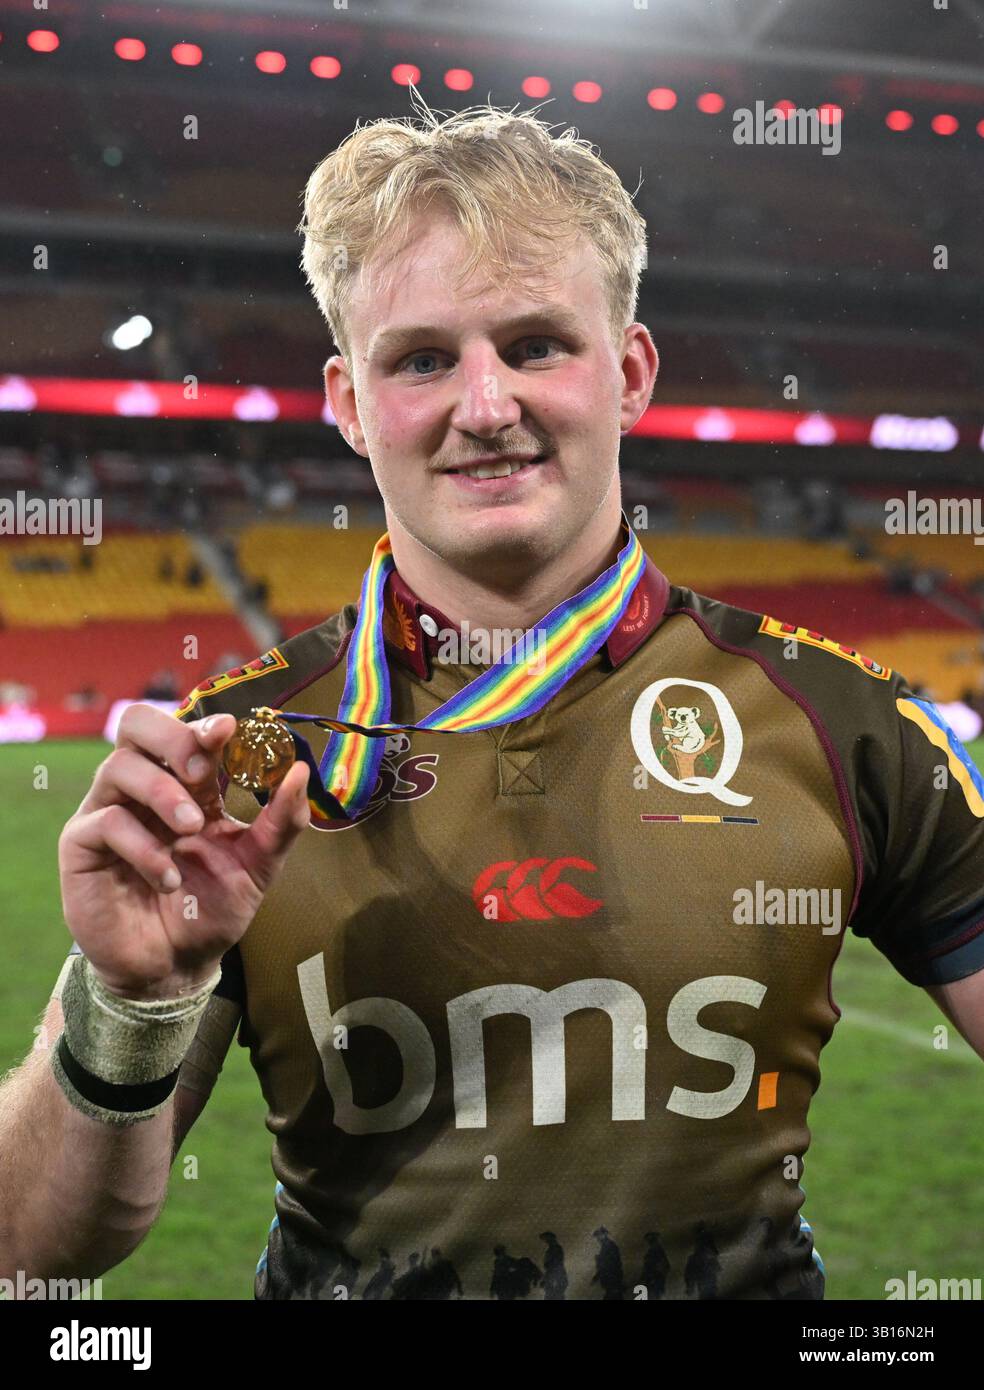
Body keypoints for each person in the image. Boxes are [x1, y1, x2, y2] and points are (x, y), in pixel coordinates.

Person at [2, 96, 983, 1302]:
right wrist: (128, 1005)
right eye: (421, 358)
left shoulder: (842, 722)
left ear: (628, 372)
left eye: (534, 344)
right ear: (351, 404)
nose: (484, 405)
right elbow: (34, 1246)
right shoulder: (240, 755)